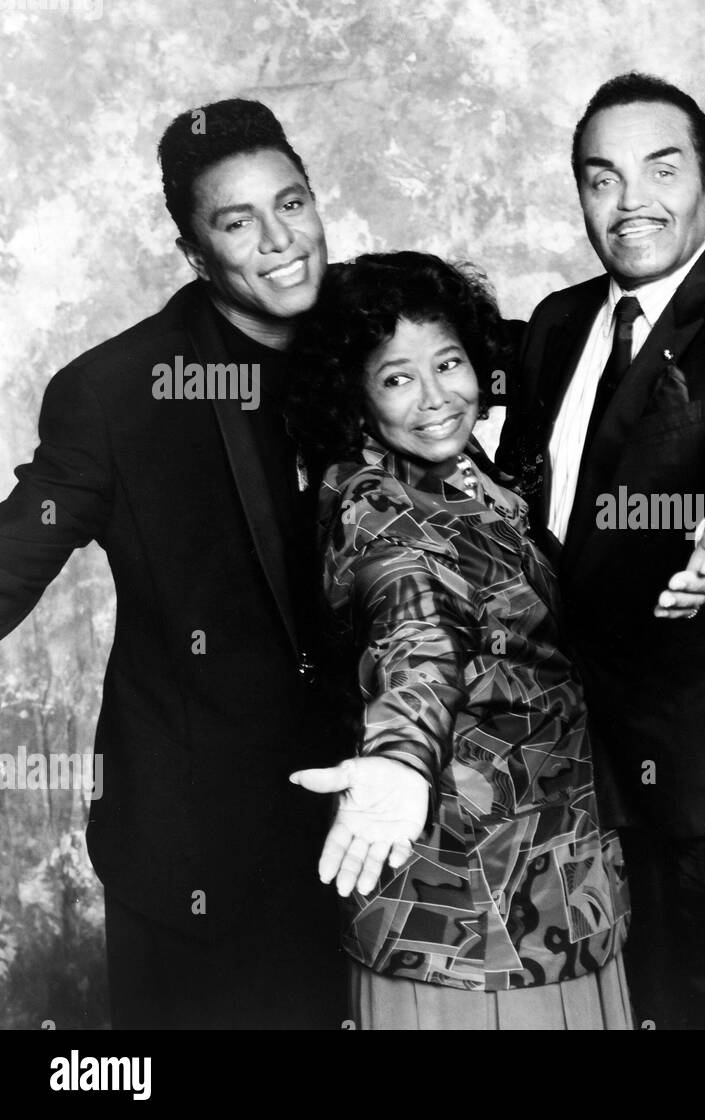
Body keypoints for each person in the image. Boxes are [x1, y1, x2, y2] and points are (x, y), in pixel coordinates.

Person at [0, 99, 347, 1028]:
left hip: (373, 835)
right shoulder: (114, 393)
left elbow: (548, 372)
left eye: (293, 204)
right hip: (198, 851)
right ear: (195, 253)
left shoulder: (383, 332)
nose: (280, 241)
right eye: (238, 223)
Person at [498, 72, 705, 1030]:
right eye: (603, 178)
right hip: (579, 772)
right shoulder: (559, 323)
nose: (631, 199)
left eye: (661, 168)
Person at [287, 251, 631, 1030]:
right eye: (398, 378)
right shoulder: (377, 511)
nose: (437, 397)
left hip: (555, 887)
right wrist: (402, 761)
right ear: (357, 396)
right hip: (467, 927)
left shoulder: (471, 471)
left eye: (450, 363)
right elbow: (416, 630)